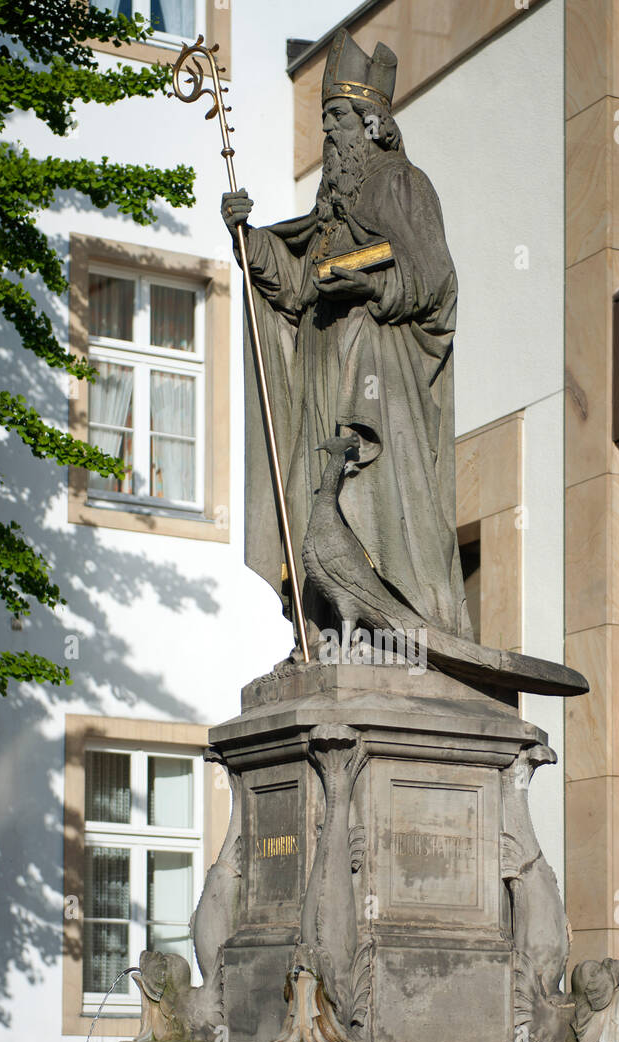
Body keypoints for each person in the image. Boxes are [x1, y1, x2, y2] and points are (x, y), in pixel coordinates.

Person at [222, 28, 471, 647]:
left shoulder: (401, 185)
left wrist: (373, 289)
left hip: (379, 385)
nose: (328, 133)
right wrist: (249, 239)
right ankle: (330, 625)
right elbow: (300, 288)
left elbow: (435, 280)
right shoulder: (330, 214)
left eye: (336, 118)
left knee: (375, 504)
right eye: (325, 118)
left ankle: (397, 621)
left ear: (370, 122)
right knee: (319, 502)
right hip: (323, 377)